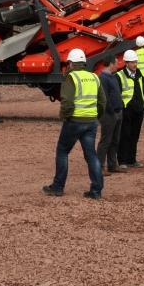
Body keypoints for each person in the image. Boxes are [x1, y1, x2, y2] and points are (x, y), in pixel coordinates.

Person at [43, 48, 105, 199]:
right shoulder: (94, 77)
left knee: (62, 151)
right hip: (91, 122)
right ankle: (96, 190)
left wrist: (64, 116)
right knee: (91, 155)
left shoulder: (71, 78)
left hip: (75, 121)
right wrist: (96, 116)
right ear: (83, 63)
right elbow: (102, 101)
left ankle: (58, 187)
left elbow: (68, 102)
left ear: (70, 63)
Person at [117, 49, 144, 171]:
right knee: (124, 135)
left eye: (135, 62)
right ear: (126, 63)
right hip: (126, 110)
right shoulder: (120, 75)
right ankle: (122, 160)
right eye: (132, 62)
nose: (135, 64)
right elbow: (117, 94)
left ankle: (132, 160)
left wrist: (143, 105)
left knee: (134, 135)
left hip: (138, 109)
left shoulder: (139, 73)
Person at [95, 57, 123, 175]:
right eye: (116, 63)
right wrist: (112, 111)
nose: (118, 65)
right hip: (108, 114)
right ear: (111, 64)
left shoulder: (113, 76)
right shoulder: (103, 78)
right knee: (106, 140)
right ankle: (99, 167)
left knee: (115, 140)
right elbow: (104, 97)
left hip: (117, 112)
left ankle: (112, 165)